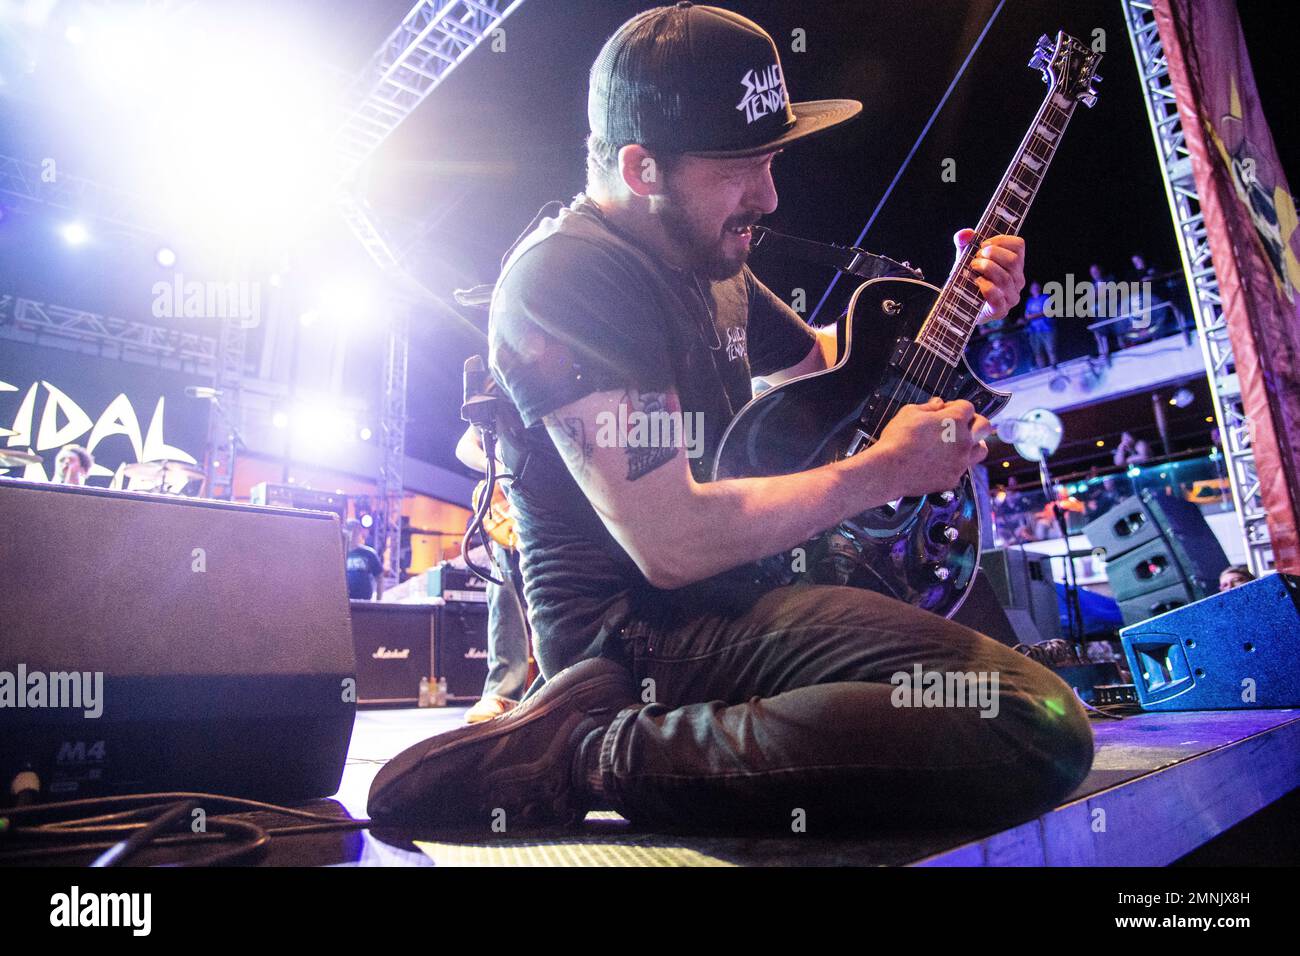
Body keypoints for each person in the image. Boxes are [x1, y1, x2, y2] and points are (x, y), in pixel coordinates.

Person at [368, 3, 1093, 833]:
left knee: (1006, 700)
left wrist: (963, 306)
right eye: (741, 168)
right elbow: (670, 543)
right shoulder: (569, 276)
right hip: (635, 636)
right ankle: (583, 753)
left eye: (774, 160)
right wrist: (885, 470)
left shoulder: (708, 261)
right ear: (642, 168)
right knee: (1030, 723)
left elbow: (830, 362)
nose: (769, 196)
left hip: (737, 595)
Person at [455, 425, 531, 723]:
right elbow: (464, 446)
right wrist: (499, 469)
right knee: (502, 588)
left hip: (562, 502)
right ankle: (503, 693)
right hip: (513, 507)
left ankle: (566, 685)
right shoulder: (498, 387)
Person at [344, 518, 384, 601]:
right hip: (344, 600)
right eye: (349, 530)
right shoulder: (340, 553)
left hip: (364, 600)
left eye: (355, 531)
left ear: (359, 532)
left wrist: (378, 600)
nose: (352, 534)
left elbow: (379, 578)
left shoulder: (369, 553)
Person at [1022, 280, 1056, 368]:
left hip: (1047, 328)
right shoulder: (1029, 301)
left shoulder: (1045, 298)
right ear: (1030, 290)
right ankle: (1042, 370)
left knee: (1050, 349)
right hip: (1034, 330)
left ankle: (1054, 367)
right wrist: (1038, 314)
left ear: (1040, 288)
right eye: (1033, 288)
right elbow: (1027, 316)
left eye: (1037, 287)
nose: (1035, 289)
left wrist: (1034, 315)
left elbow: (1047, 312)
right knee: (1037, 352)